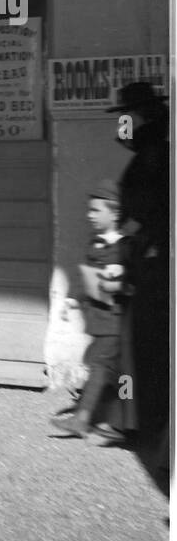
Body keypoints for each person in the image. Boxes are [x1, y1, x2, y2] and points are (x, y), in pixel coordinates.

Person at [110, 82, 170, 472]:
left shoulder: (152, 153)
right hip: (149, 253)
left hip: (153, 256)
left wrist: (126, 234)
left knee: (146, 338)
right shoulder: (151, 148)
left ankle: (145, 424)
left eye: (125, 116)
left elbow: (151, 207)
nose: (120, 125)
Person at [50, 180, 128, 441]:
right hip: (98, 321)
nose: (90, 215)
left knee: (98, 366)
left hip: (115, 322)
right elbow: (87, 278)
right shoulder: (96, 244)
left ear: (114, 213)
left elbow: (127, 282)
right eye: (89, 210)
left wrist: (118, 281)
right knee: (103, 366)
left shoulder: (124, 247)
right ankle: (116, 420)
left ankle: (82, 419)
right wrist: (73, 300)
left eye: (96, 210)